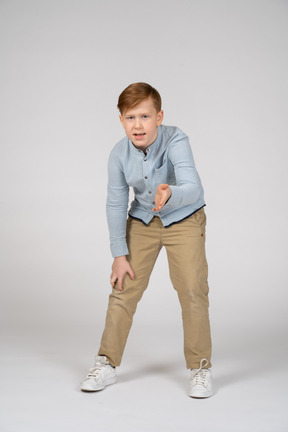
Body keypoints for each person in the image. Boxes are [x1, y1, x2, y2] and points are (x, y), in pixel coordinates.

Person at [81, 82, 213, 398]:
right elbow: (115, 203)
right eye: (130, 117)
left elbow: (193, 187)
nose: (138, 125)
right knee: (122, 289)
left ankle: (201, 368)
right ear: (121, 120)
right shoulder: (118, 153)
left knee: (192, 290)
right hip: (142, 220)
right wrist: (118, 252)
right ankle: (106, 363)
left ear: (159, 116)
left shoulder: (177, 139)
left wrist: (170, 194)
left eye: (145, 116)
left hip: (182, 217)